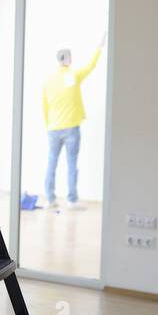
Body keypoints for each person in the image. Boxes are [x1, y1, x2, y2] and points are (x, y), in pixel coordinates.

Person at [42, 32, 105, 210]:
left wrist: (48, 125)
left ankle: (50, 198)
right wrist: (99, 48)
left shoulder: (49, 79)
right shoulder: (74, 75)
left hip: (53, 128)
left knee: (52, 162)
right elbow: (91, 65)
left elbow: (44, 105)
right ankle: (71, 199)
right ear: (68, 59)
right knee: (71, 163)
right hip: (70, 128)